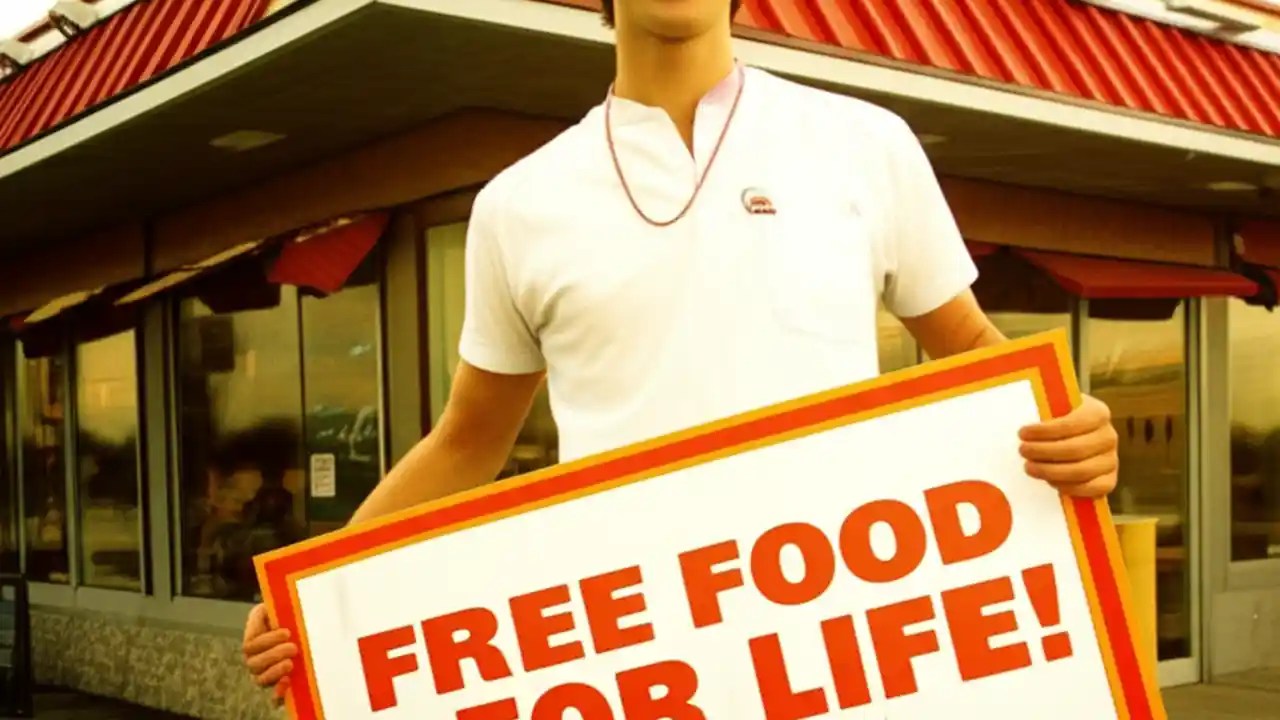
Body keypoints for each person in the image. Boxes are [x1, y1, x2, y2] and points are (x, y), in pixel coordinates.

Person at [241, 0, 1121, 702]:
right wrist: (312, 593)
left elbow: (969, 349)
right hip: (641, 662)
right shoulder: (519, 203)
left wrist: (1065, 425)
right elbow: (468, 442)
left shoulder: (864, 144)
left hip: (846, 639)